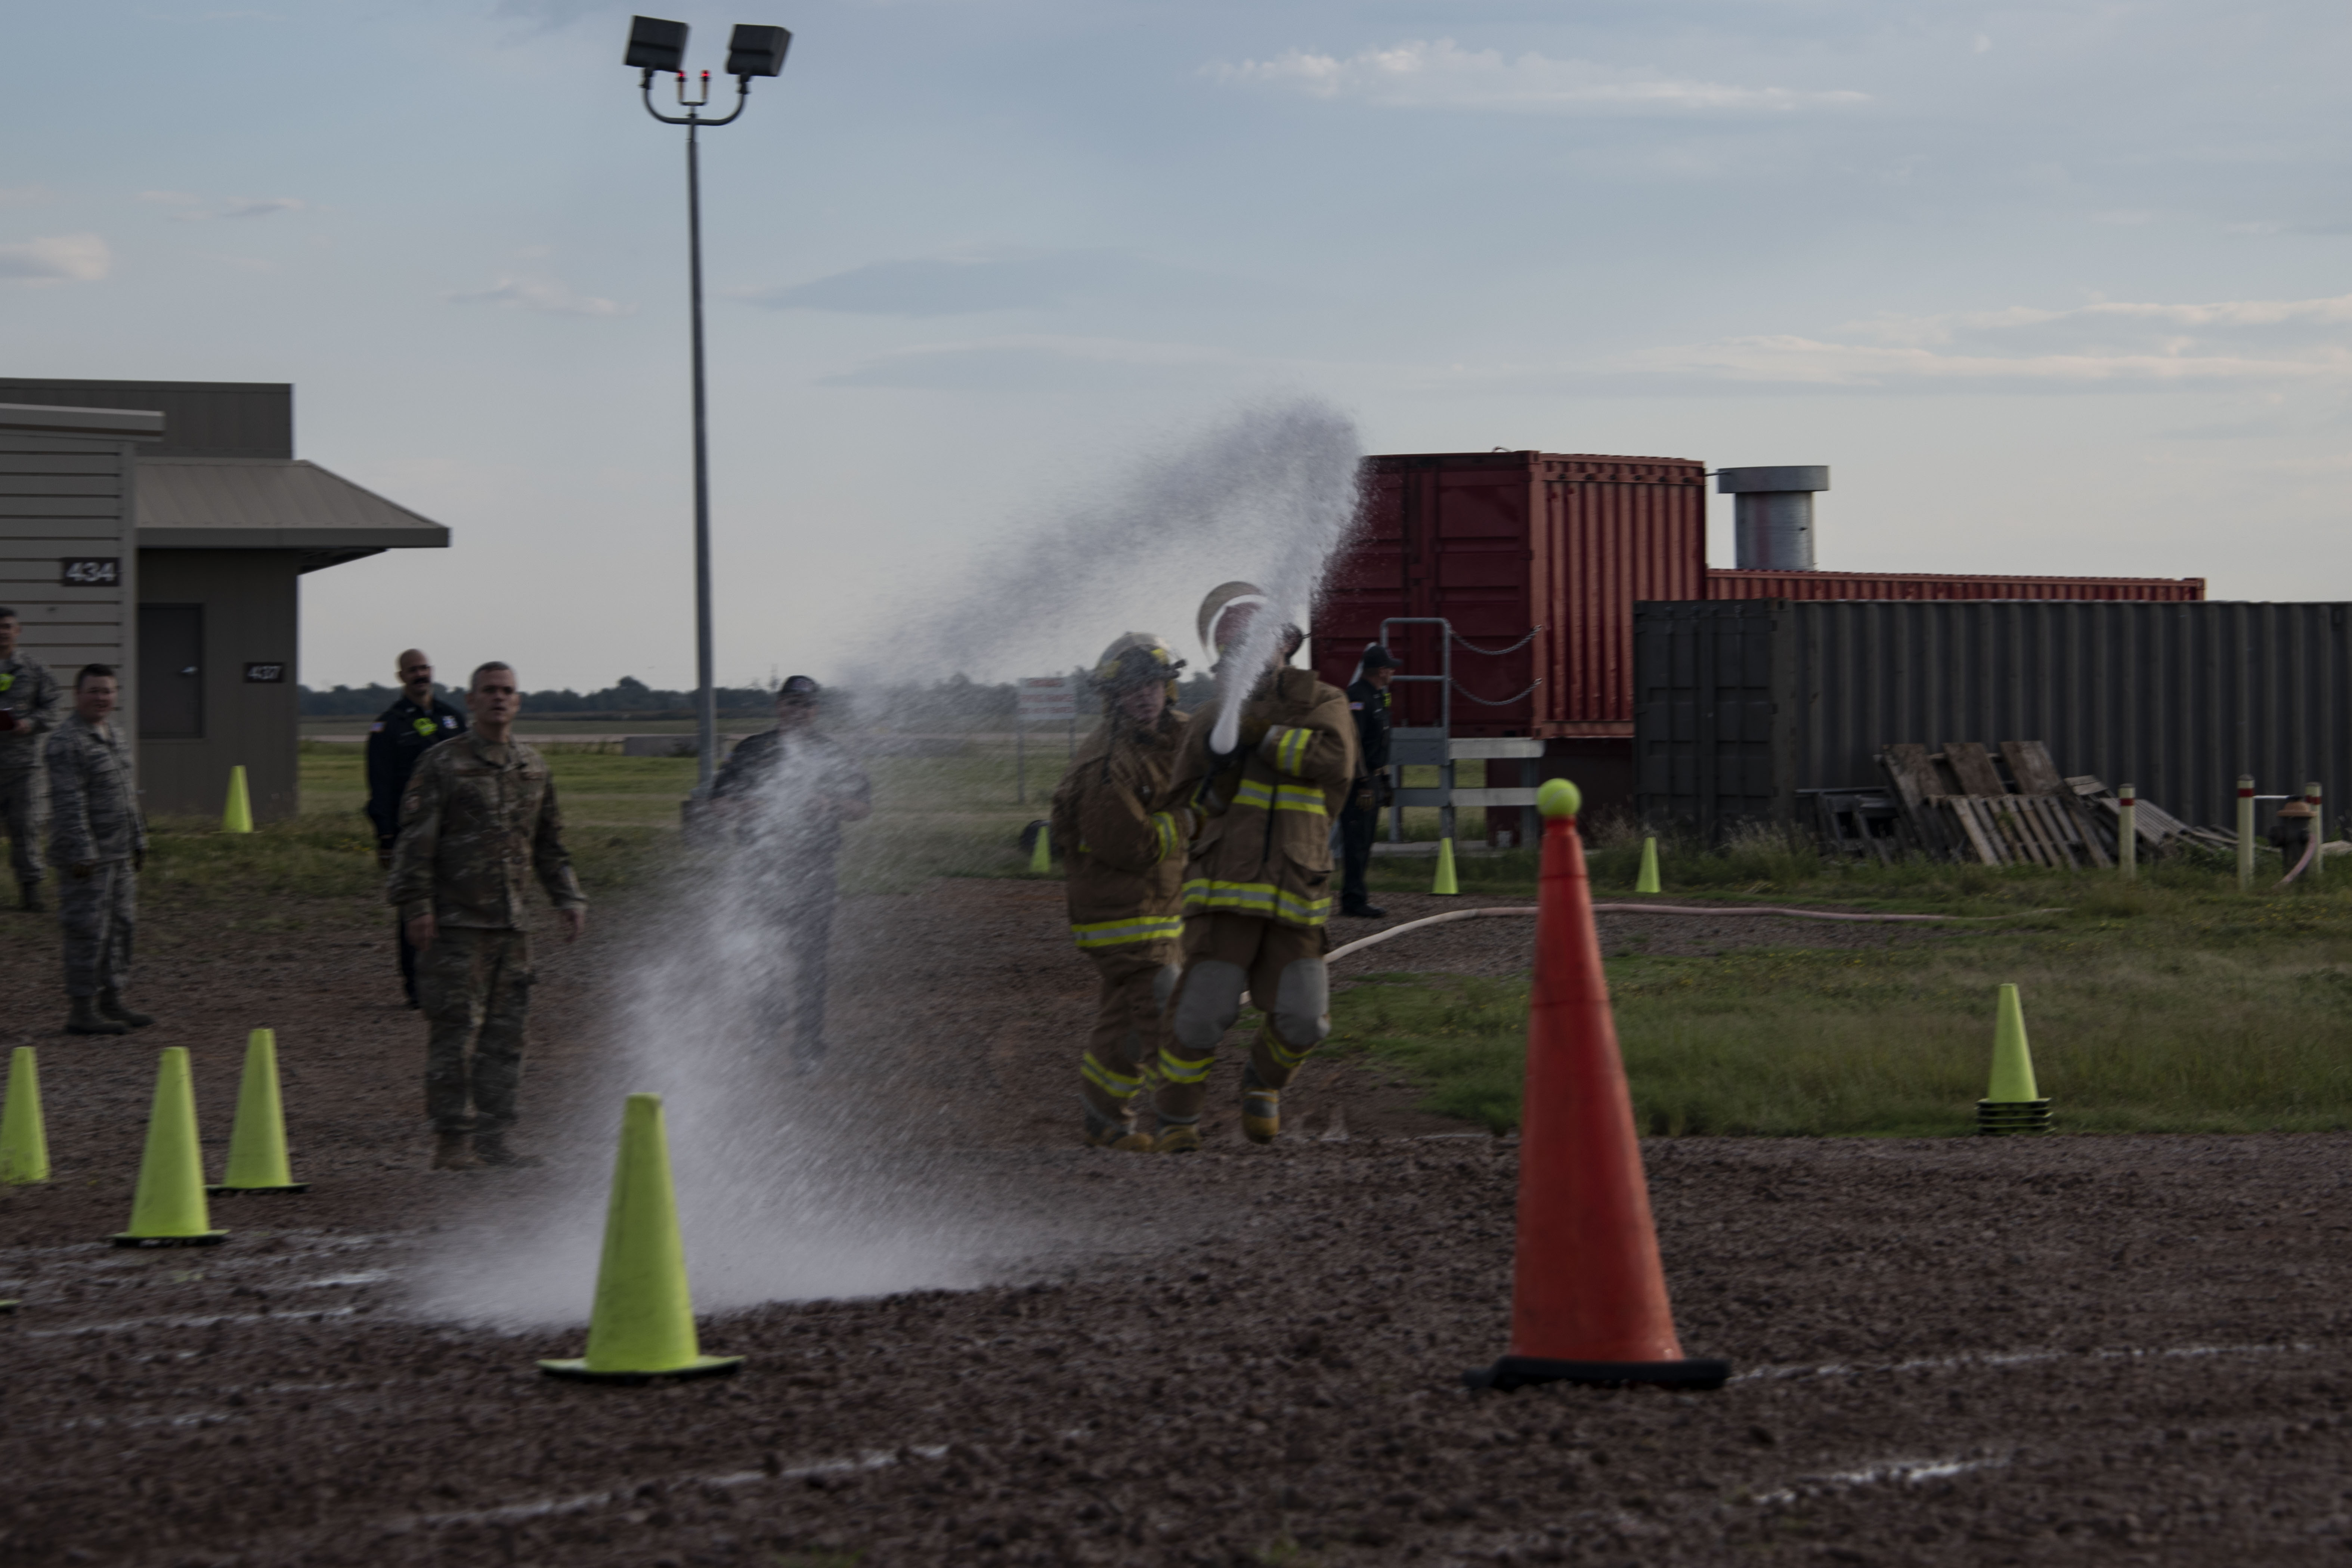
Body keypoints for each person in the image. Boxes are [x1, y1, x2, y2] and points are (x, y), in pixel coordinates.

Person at [1148, 582, 1357, 1152]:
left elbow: (1334, 760)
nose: (1249, 653)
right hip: (1224, 899)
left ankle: (1262, 1083)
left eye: (1257, 641)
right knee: (1198, 1020)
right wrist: (1217, 783)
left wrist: (1261, 735)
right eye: (1235, 648)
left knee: (1305, 1023)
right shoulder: (1213, 719)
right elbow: (1183, 809)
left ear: (1286, 642)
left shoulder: (1325, 704)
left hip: (1295, 898)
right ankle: (1175, 1118)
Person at [387, 662, 586, 1170]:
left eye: (508, 691)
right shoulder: (443, 765)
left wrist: (568, 898)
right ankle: (453, 1142)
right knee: (454, 1034)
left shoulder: (533, 767)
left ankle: (496, 1138)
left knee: (506, 1036)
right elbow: (415, 844)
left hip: (512, 928)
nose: (500, 699)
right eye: (489, 691)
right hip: (456, 926)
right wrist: (417, 906)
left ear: (518, 702)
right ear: (471, 701)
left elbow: (549, 844)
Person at [1050, 634, 1193, 1150]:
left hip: (1159, 908)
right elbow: (1134, 845)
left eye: (1152, 684)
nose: (1144, 696)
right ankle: (1179, 1124)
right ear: (1113, 696)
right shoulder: (1104, 765)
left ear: (1167, 686)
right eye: (1131, 688)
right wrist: (1190, 819)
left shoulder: (1177, 733)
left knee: (1126, 1022)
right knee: (1166, 1008)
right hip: (1121, 917)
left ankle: (1103, 1117)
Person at [704, 675, 872, 1069]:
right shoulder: (752, 750)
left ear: (816, 711)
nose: (798, 712)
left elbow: (863, 808)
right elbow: (717, 804)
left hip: (813, 870)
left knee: (810, 960)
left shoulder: (834, 754)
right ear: (779, 706)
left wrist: (829, 803)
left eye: (806, 706)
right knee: (757, 953)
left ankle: (808, 1044)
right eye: (791, 704)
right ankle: (765, 1027)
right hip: (758, 870)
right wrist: (749, 807)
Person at [47, 665, 151, 1035]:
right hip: (87, 860)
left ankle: (113, 999)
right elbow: (69, 803)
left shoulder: (116, 737)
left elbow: (128, 794)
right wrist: (83, 851)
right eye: (93, 691)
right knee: (87, 930)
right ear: (78, 695)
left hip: (120, 854)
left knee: (122, 928)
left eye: (107, 691)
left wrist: (140, 839)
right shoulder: (66, 742)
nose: (101, 698)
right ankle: (82, 1009)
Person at [365, 648, 469, 1005]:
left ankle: (455, 979)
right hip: (411, 833)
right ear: (402, 677)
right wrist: (385, 835)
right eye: (413, 670)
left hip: (455, 832)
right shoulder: (388, 726)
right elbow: (379, 785)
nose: (420, 675)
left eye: (425, 668)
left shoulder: (453, 720)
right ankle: (417, 986)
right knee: (415, 906)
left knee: (458, 905)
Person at [0, 608, 64, 913]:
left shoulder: (34, 669)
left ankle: (31, 891)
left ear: (18, 631)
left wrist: (32, 723)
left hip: (23, 767)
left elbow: (53, 706)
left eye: (7, 627)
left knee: (26, 827)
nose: (3, 632)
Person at [1340, 642, 1398, 918]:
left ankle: (1357, 895)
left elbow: (1379, 742)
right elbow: (1354, 745)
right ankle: (1353, 900)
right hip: (1359, 783)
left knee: (1365, 839)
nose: (1394, 673)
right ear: (1381, 670)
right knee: (1356, 839)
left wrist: (1384, 778)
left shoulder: (1377, 697)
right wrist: (1364, 782)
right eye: (1391, 668)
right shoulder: (1357, 698)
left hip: (1372, 778)